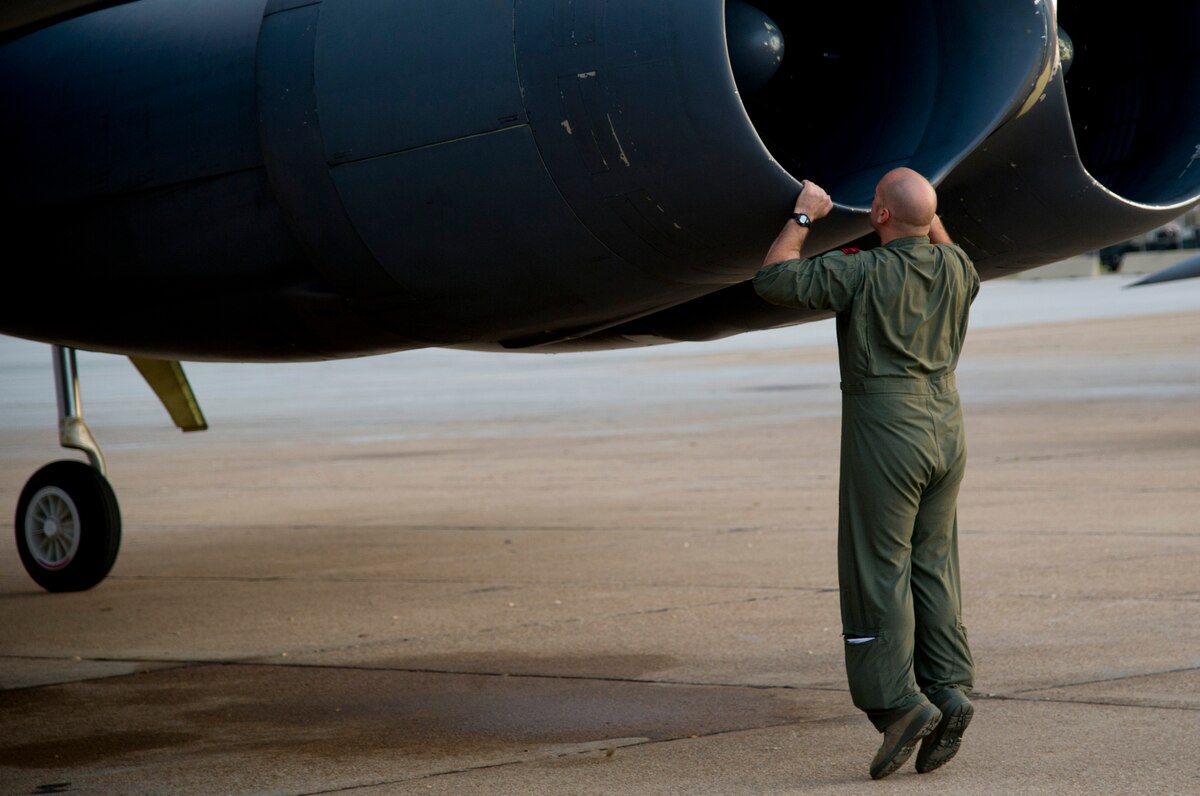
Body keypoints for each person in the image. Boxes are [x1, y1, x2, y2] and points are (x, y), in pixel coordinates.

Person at [754, 168, 979, 780]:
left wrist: (803, 216)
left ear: (879, 215)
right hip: (947, 429)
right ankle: (950, 688)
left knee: (876, 568)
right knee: (932, 562)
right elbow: (936, 235)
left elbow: (774, 278)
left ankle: (899, 704)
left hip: (888, 428)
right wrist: (918, 210)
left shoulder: (860, 270)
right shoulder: (960, 268)